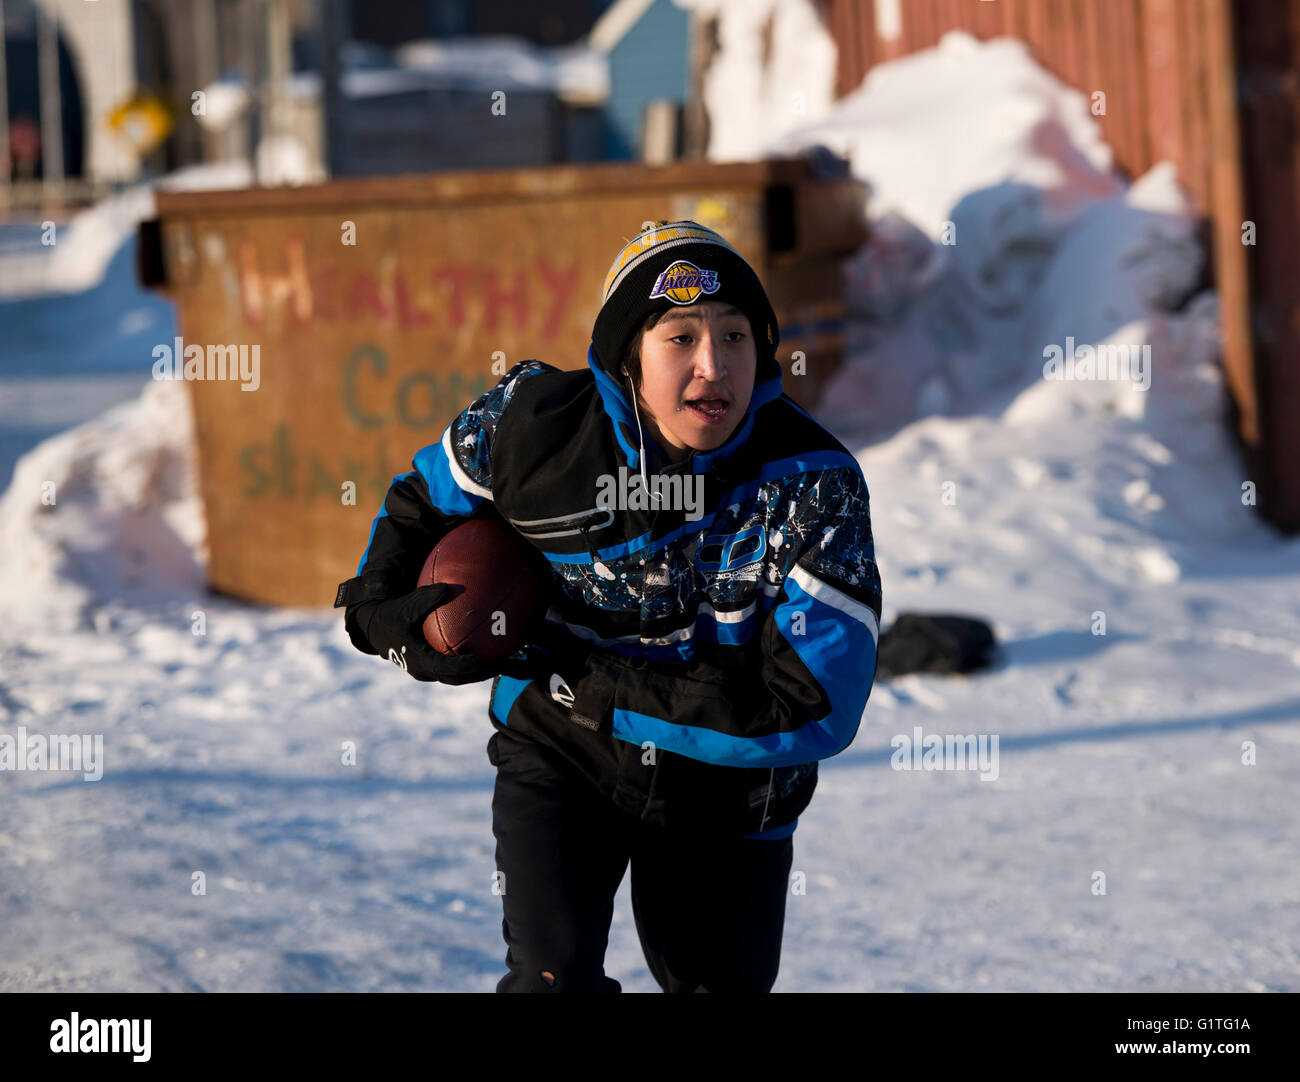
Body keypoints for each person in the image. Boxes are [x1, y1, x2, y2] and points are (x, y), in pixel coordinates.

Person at [334, 220, 882, 992]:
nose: (712, 365)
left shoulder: (813, 484)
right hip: (563, 754)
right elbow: (421, 500)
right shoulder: (533, 429)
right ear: (628, 353)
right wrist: (377, 606)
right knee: (548, 984)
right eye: (679, 337)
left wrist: (599, 691)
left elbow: (816, 704)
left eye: (734, 336)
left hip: (724, 793)